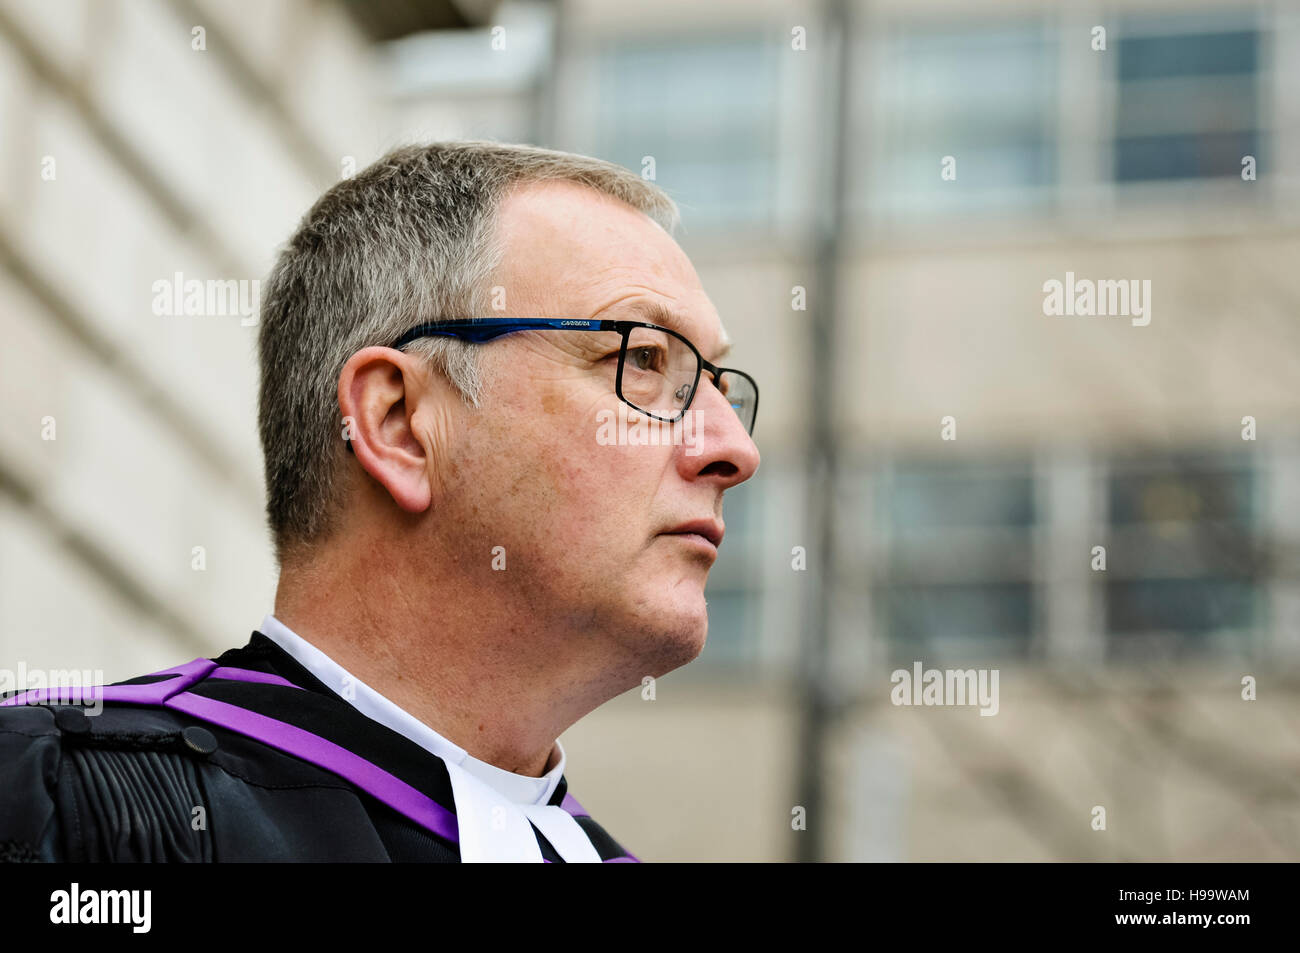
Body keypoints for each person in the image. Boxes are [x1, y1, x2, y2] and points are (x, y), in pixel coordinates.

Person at [0, 140, 761, 862]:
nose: (735, 450)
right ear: (398, 423)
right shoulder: (66, 805)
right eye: (641, 360)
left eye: (719, 387)